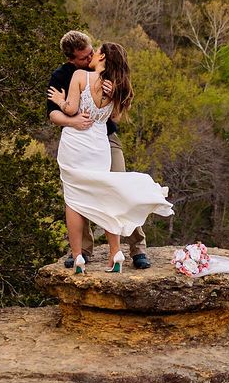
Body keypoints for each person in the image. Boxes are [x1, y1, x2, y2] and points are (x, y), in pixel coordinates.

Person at [49, 41, 172, 272]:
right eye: (86, 55)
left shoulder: (78, 76)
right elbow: (114, 115)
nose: (91, 56)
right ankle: (113, 253)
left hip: (81, 143)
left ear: (102, 56)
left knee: (75, 199)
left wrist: (60, 102)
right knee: (107, 193)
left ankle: (83, 257)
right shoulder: (112, 83)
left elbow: (69, 109)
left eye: (94, 53)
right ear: (72, 57)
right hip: (99, 146)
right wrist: (115, 94)